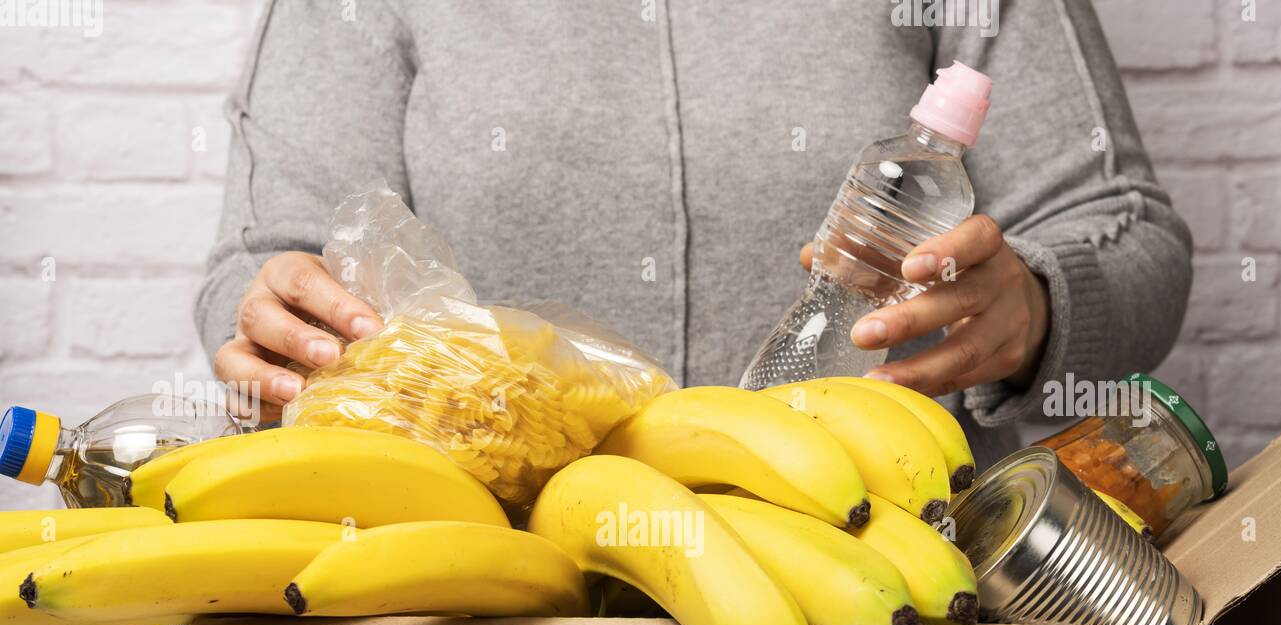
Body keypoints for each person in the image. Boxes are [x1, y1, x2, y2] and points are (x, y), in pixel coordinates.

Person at [197, 0, 1191, 468]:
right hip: (474, 604)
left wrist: (1037, 312)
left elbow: (1125, 232)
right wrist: (274, 331)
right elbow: (268, 253)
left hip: (878, 591)